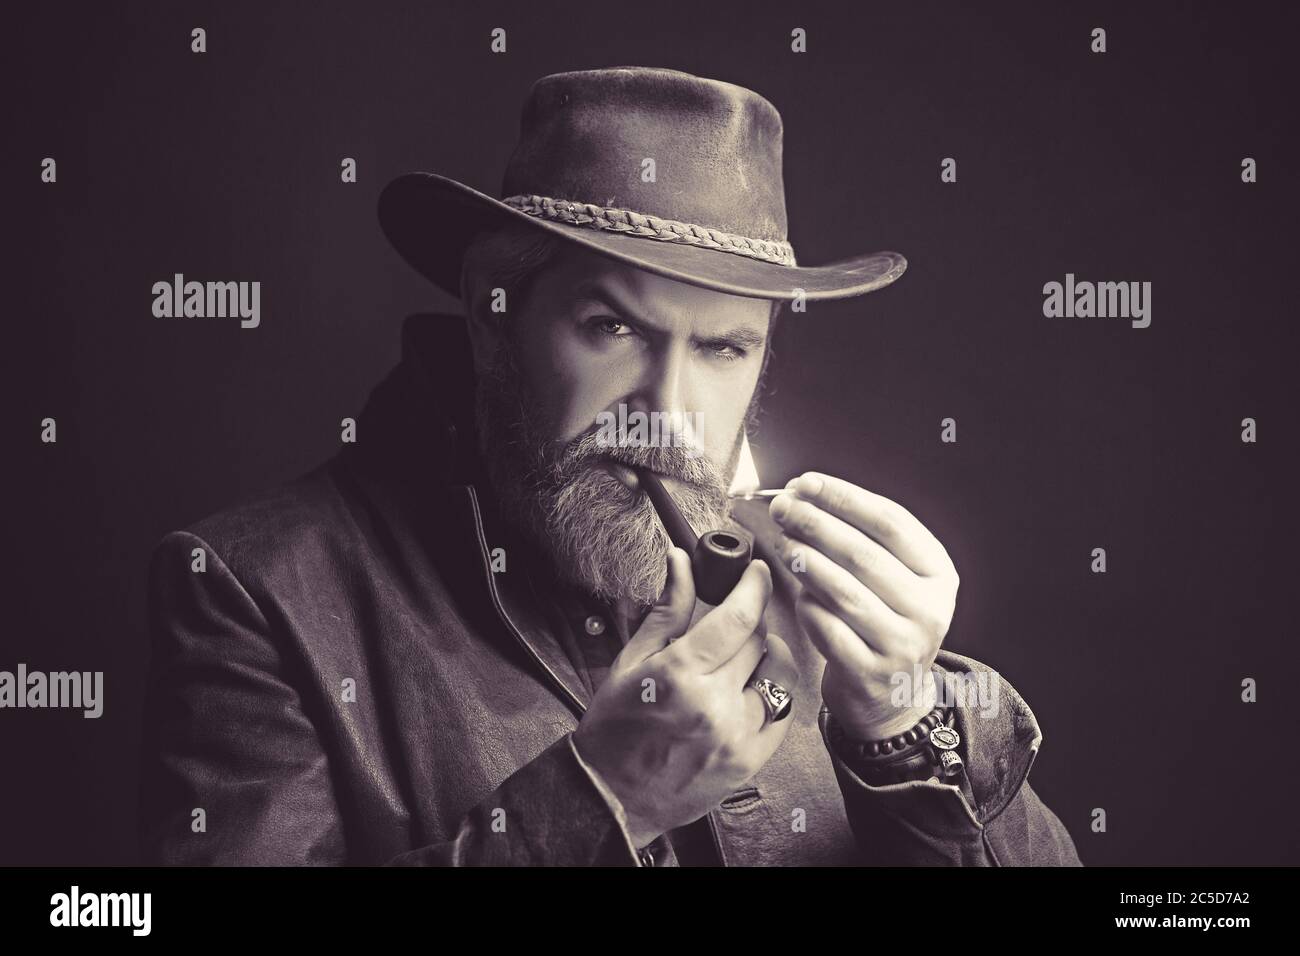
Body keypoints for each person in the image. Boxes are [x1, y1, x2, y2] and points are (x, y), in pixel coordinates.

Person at [138, 66, 1082, 866]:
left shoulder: (801, 597)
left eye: (723, 349)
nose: (668, 413)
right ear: (490, 310)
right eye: (614, 327)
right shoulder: (255, 593)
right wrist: (605, 800)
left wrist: (902, 728)